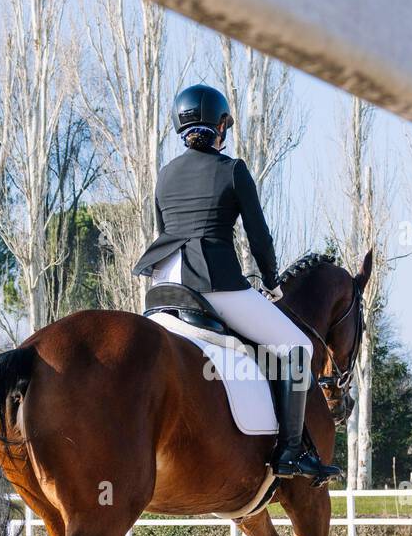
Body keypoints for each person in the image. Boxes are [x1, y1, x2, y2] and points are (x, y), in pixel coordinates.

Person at [133, 84, 340, 483]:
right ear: (221, 127)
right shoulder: (232, 170)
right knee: (297, 348)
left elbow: (165, 230)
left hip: (162, 286)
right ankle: (291, 453)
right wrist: (272, 283)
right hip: (214, 283)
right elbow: (259, 237)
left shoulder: (165, 175)